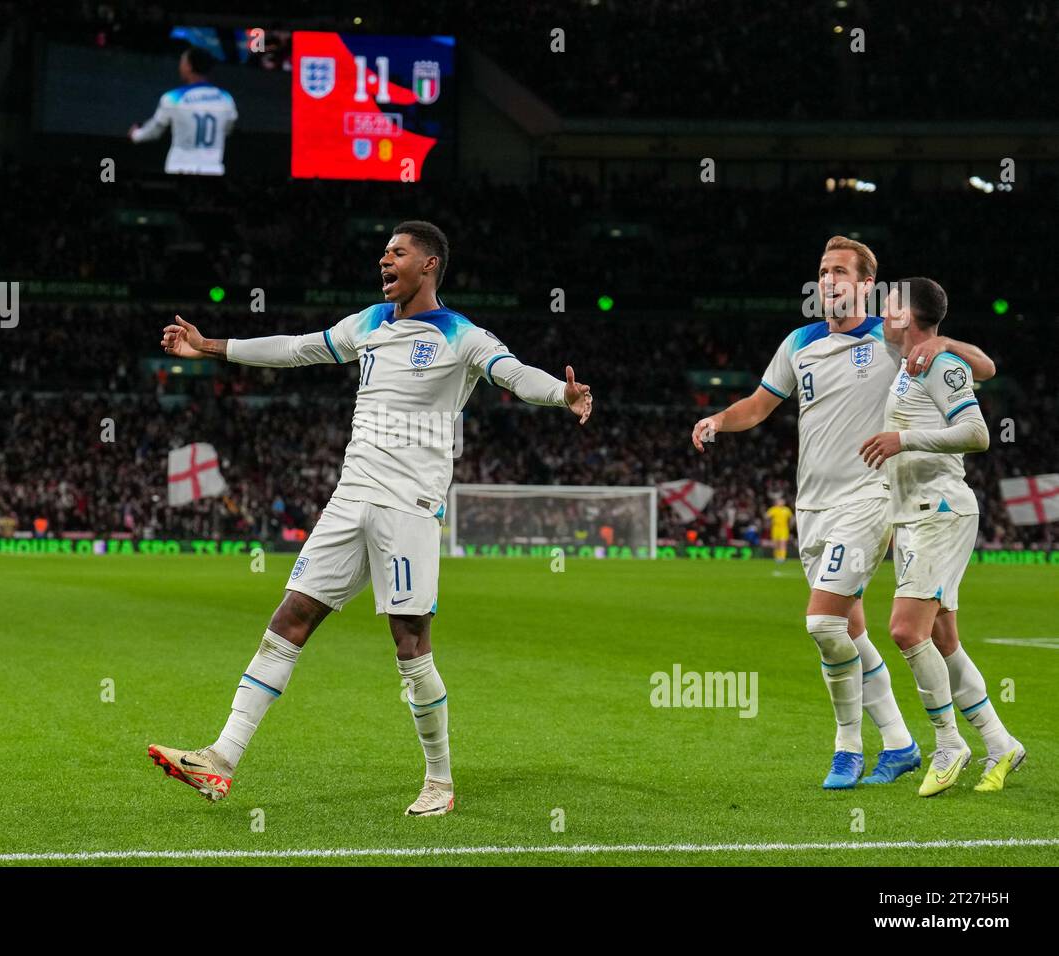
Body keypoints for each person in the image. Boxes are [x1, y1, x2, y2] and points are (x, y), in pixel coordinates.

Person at [149, 221, 593, 815]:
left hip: (408, 507)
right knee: (290, 618)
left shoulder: (461, 334)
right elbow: (296, 348)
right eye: (384, 251)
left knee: (410, 643)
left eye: (397, 252)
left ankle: (439, 782)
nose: (384, 259)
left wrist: (562, 394)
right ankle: (221, 759)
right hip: (350, 497)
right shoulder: (369, 323)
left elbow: (513, 373)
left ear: (428, 265)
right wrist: (211, 346)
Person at [690, 236, 996, 789]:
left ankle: (847, 747)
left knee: (822, 622)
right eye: (823, 271)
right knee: (848, 631)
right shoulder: (799, 342)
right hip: (812, 505)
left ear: (865, 285)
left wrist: (944, 340)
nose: (827, 279)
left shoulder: (889, 338)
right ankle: (900, 744)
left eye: (839, 271)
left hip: (868, 499)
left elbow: (983, 367)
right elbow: (757, 406)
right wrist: (717, 421)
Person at [859, 278, 1025, 795]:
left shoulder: (939, 364)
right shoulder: (909, 358)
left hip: (941, 511)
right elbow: (987, 365)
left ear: (907, 316)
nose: (881, 312)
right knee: (942, 639)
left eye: (889, 305)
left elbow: (978, 433)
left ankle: (949, 743)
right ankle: (1000, 743)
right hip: (914, 516)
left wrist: (903, 439)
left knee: (906, 631)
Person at [129, 46, 237, 176]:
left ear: (189, 67)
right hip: (213, 170)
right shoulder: (226, 98)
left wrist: (136, 135)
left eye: (182, 62)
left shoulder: (173, 98)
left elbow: (155, 130)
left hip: (180, 168)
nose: (180, 67)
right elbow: (228, 130)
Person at [765, 496, 793, 564]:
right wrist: (769, 521)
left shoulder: (786, 509)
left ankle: (782, 558)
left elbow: (791, 518)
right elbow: (766, 516)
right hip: (775, 528)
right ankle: (777, 557)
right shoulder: (773, 509)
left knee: (783, 543)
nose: (782, 502)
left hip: (784, 528)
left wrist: (790, 525)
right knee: (776, 544)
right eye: (780, 501)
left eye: (782, 501)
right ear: (776, 502)